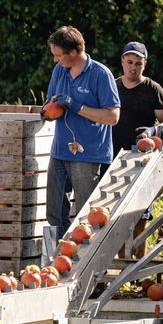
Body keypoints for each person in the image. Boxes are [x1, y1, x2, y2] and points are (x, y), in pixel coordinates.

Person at [43, 26, 121, 235]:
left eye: (59, 55)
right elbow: (50, 103)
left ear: (73, 52)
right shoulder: (60, 70)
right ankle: (59, 261)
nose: (55, 60)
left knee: (87, 212)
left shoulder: (100, 74)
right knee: (55, 211)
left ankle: (88, 262)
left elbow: (113, 117)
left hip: (88, 153)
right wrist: (48, 110)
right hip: (59, 150)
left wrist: (77, 106)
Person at [112, 42, 163, 156]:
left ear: (145, 64)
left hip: (143, 154)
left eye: (138, 63)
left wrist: (151, 133)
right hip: (111, 153)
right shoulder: (111, 87)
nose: (133, 67)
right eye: (130, 62)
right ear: (122, 61)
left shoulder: (154, 89)